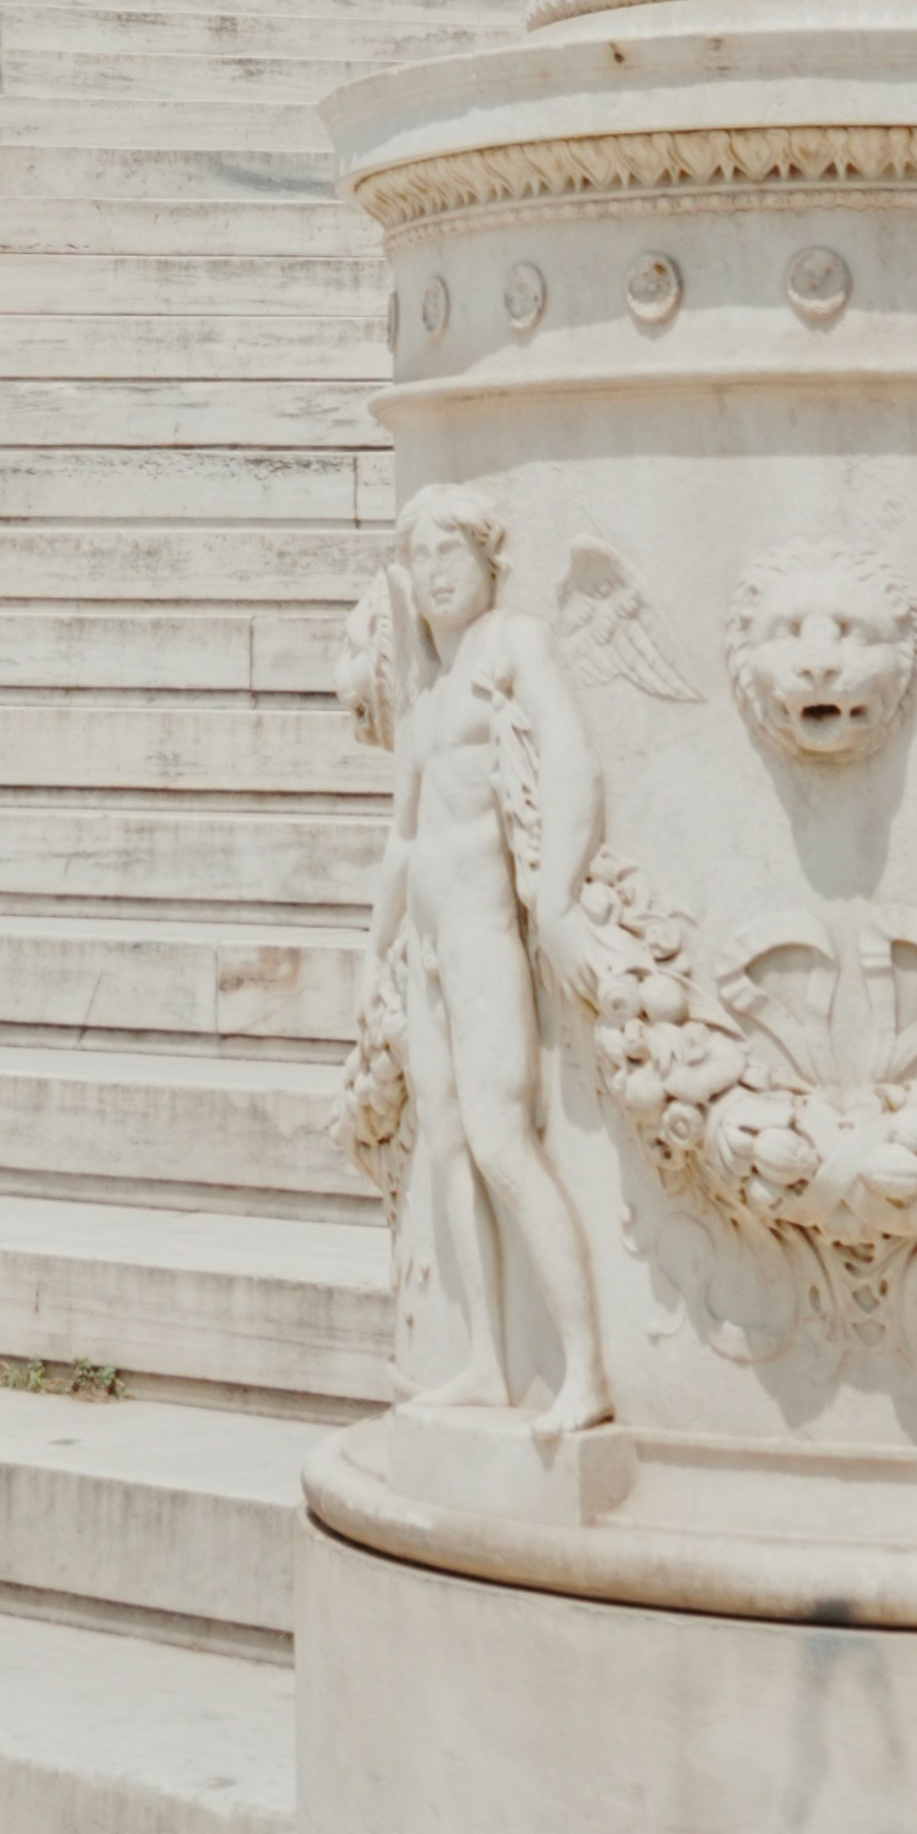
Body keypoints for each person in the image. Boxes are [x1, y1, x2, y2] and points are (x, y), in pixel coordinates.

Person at [362, 490, 616, 1438]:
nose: (432, 572)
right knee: (447, 1143)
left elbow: (570, 760)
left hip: (479, 937)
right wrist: (373, 948)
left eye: (450, 553)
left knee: (505, 1145)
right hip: (425, 946)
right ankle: (484, 1363)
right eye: (419, 556)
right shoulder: (426, 689)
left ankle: (585, 1368)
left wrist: (551, 901)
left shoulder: (511, 644)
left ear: (485, 561)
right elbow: (399, 838)